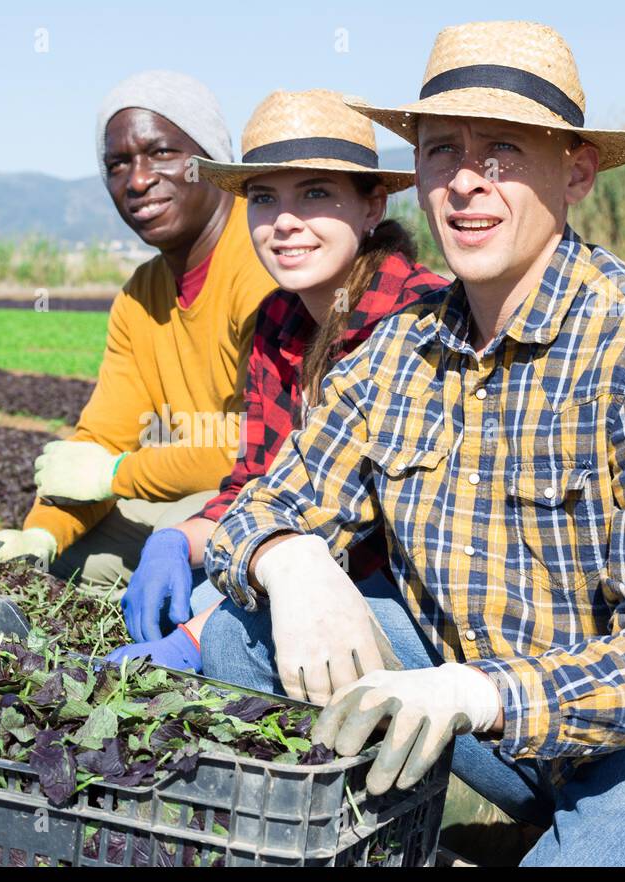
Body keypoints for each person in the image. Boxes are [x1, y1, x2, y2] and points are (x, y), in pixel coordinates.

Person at [202, 20, 625, 866]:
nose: (464, 182)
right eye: (440, 151)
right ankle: (366, 844)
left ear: (575, 172)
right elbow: (264, 508)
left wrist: (470, 689)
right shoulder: (398, 352)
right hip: (512, 739)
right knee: (250, 629)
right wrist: (289, 559)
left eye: (500, 152)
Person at [104, 88, 446, 673]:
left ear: (372, 207)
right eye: (265, 199)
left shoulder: (416, 319)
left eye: (315, 194)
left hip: (415, 605)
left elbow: (358, 536)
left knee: (226, 638)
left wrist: (197, 634)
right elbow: (257, 485)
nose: (285, 223)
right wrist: (179, 542)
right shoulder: (279, 321)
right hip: (295, 560)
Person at [0, 70, 277, 592]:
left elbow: (257, 446)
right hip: (186, 495)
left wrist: (115, 476)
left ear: (212, 160)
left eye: (160, 153)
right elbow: (104, 438)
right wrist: (40, 535)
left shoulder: (263, 259)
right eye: (118, 164)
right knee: (57, 565)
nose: (137, 180)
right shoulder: (139, 296)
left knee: (202, 568)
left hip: (264, 500)